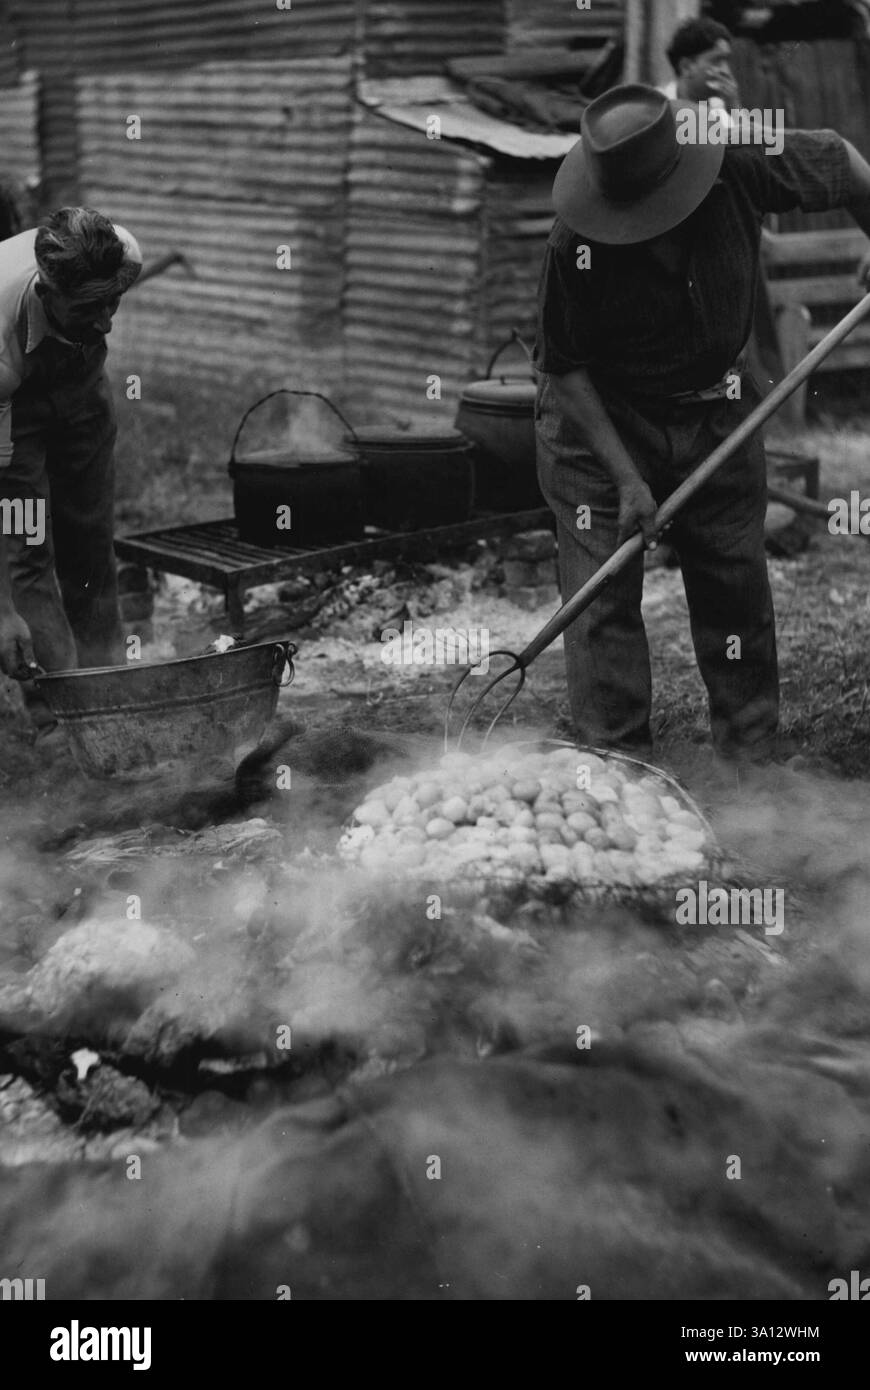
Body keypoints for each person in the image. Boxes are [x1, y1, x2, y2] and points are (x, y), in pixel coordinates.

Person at [534, 84, 870, 764]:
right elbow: (563, 370)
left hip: (717, 407)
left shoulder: (741, 158)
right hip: (601, 427)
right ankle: (618, 765)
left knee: (732, 580)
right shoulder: (576, 245)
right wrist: (628, 482)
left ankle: (751, 759)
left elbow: (842, 163)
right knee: (602, 603)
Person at [0, 207, 142, 707]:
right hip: (12, 410)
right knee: (28, 543)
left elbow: (96, 309)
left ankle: (111, 694)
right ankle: (60, 712)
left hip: (83, 391)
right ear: (46, 294)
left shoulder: (123, 255)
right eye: (88, 309)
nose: (105, 322)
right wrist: (0, 613)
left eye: (113, 303)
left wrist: (88, 312)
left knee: (91, 538)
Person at [661, 16, 738, 111]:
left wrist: (734, 109)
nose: (726, 71)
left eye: (726, 61)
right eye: (716, 61)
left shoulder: (721, 110)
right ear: (686, 67)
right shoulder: (656, 109)